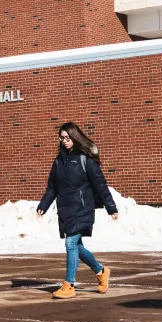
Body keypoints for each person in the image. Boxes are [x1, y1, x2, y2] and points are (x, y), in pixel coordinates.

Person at [37, 122, 118, 299]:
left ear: (75, 137)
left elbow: (100, 184)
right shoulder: (59, 161)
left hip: (82, 208)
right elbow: (52, 187)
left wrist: (111, 207)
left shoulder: (85, 158)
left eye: (68, 137)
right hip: (65, 209)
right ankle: (101, 271)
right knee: (77, 246)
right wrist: (43, 205)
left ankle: (69, 284)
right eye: (62, 138)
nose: (65, 141)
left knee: (70, 243)